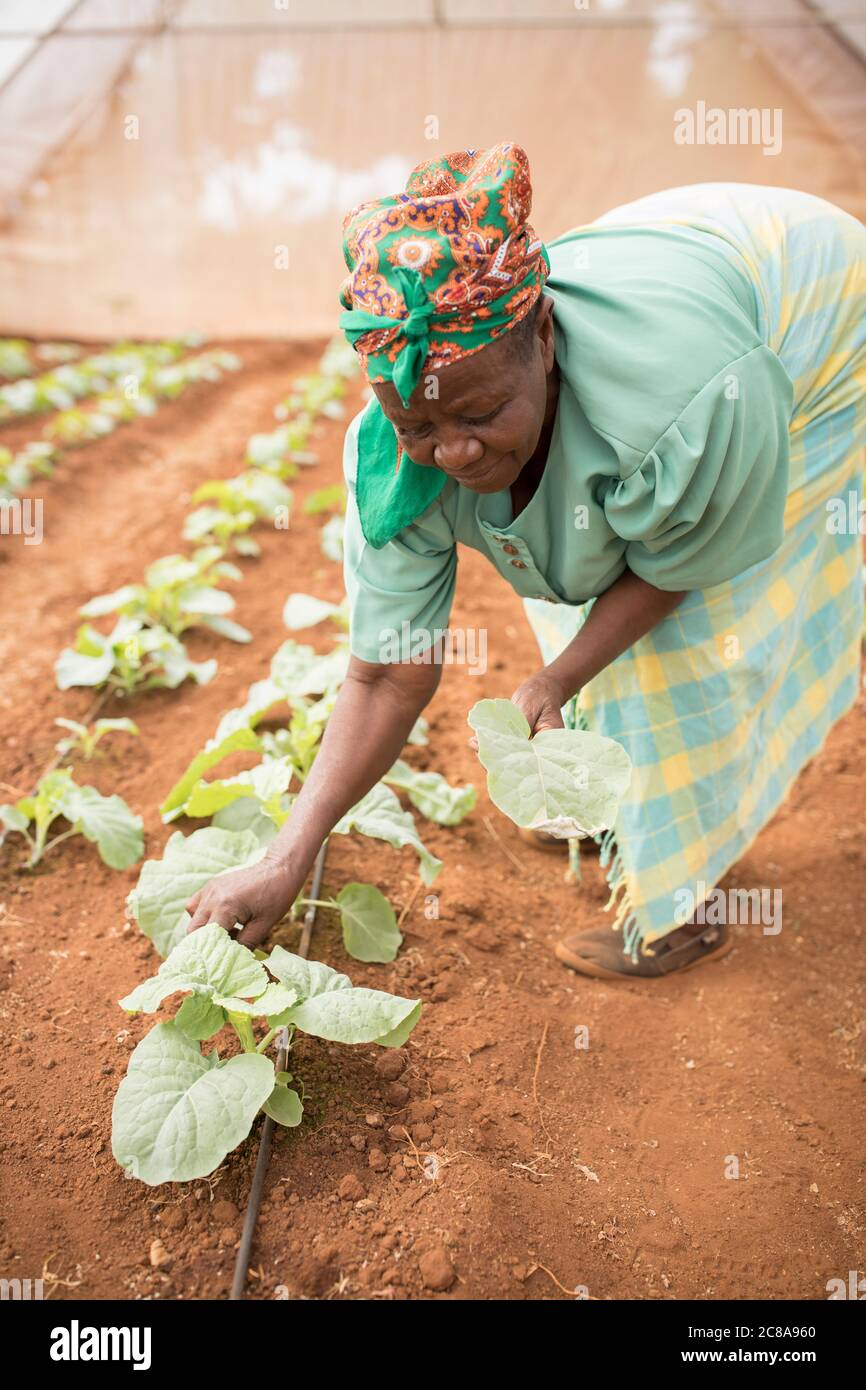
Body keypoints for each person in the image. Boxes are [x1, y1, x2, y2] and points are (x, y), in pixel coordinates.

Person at [186, 142, 866, 980]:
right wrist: (288, 851)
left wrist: (555, 681)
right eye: (419, 427)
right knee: (570, 561)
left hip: (815, 310)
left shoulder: (687, 400)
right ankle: (610, 800)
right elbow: (386, 674)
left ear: (543, 336)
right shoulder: (398, 462)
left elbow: (675, 567)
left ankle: (683, 900)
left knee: (688, 647)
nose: (456, 451)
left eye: (482, 411)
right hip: (676, 268)